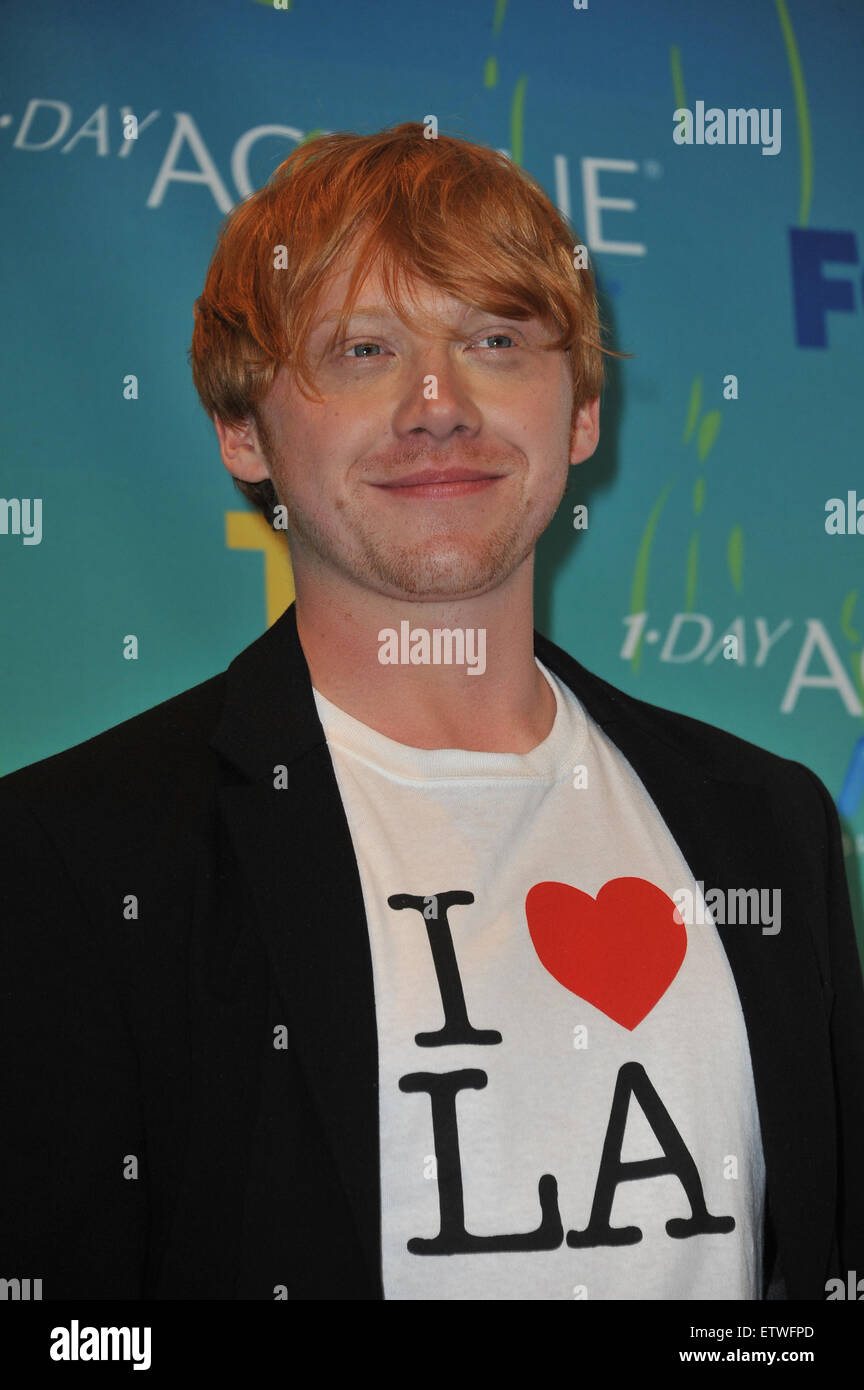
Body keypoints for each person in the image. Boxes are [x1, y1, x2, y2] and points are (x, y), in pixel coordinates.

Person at [1, 122, 862, 1302]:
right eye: (361, 350)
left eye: (496, 340)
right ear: (241, 431)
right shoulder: (76, 854)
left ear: (580, 416)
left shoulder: (769, 824)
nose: (437, 403)